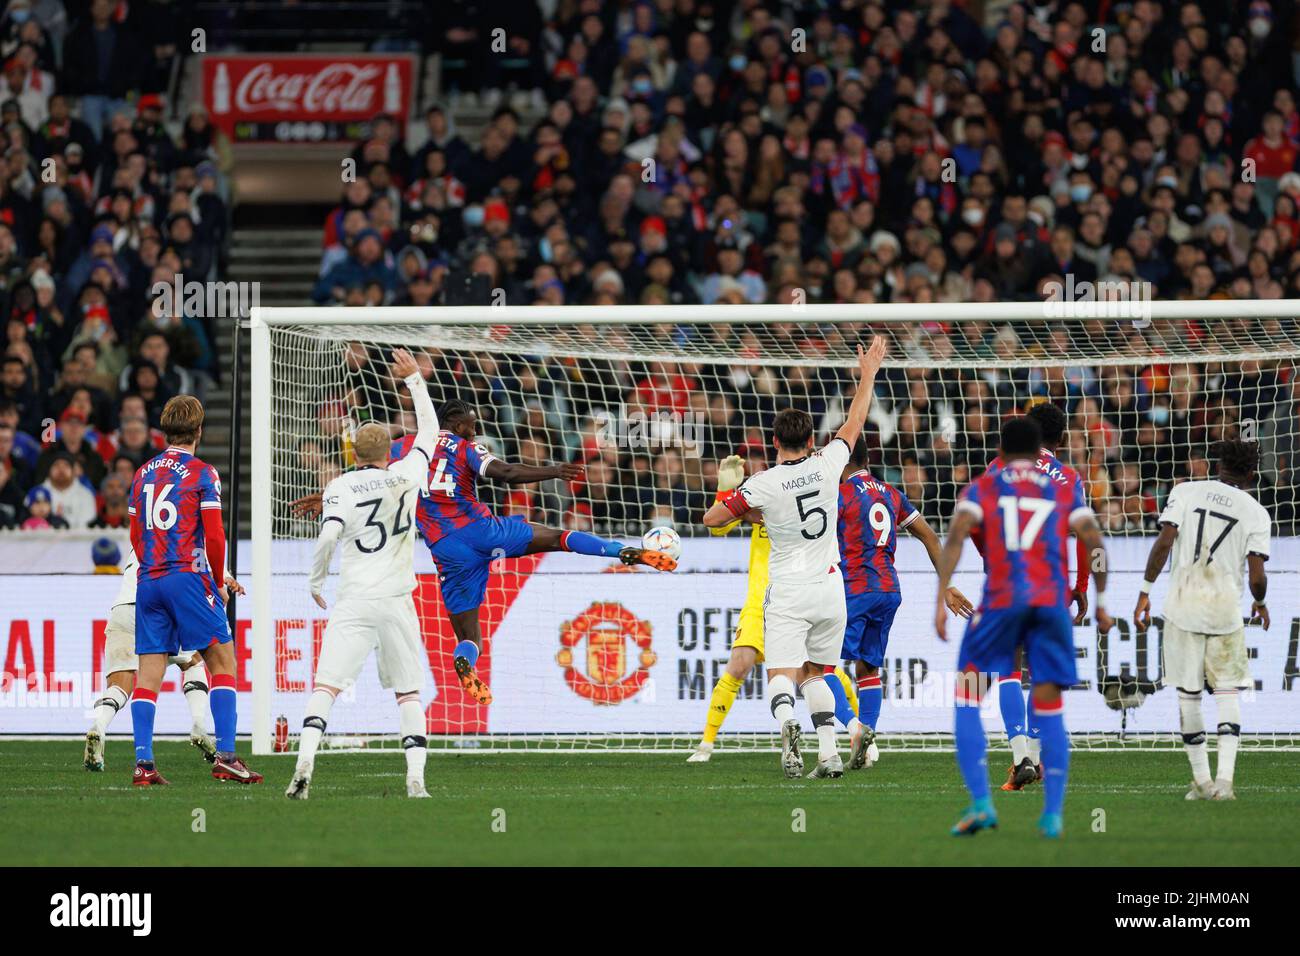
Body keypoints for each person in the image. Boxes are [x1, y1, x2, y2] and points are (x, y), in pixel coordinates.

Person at [702, 337, 887, 779]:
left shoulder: (763, 483)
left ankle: (788, 726)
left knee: (782, 675)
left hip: (787, 590)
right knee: (817, 675)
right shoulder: (829, 463)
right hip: (830, 586)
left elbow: (712, 519)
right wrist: (868, 374)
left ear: (773, 441)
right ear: (810, 439)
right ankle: (830, 754)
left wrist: (736, 492)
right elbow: (855, 421)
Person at [935, 416, 1111, 839]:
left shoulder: (987, 480)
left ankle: (982, 803)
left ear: (1000, 449)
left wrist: (941, 595)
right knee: (1050, 702)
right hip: (1050, 599)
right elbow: (1093, 539)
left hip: (1001, 598)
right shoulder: (1066, 481)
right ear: (1043, 447)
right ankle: (1052, 816)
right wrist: (1094, 595)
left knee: (968, 694)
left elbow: (959, 534)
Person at [287, 351, 437, 800]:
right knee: (408, 693)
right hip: (395, 601)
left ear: (354, 450)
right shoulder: (408, 472)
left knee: (326, 687)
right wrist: (414, 381)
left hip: (353, 599)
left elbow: (328, 537)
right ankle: (416, 781)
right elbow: (429, 431)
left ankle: (304, 764)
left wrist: (316, 582)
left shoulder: (340, 485)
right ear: (390, 450)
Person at [127, 395, 255, 786]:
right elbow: (214, 535)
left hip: (149, 579)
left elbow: (135, 534)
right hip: (187, 577)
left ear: (164, 430)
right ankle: (228, 757)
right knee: (222, 662)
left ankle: (144, 764)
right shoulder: (202, 473)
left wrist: (152, 567)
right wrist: (217, 580)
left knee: (149, 671)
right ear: (199, 431)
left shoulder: (142, 473)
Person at [1134, 439, 1271, 802]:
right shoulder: (1257, 512)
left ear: (1219, 464)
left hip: (1182, 607)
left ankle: (1201, 781)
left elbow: (1164, 543)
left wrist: (1145, 591)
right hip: (1224, 611)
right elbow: (1257, 576)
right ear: (1252, 474)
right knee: (1227, 692)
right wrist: (1260, 601)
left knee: (1189, 695)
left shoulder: (1186, 491)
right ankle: (1224, 784)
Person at [826, 437, 973, 769]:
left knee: (817, 666)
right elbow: (929, 535)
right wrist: (946, 584)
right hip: (889, 590)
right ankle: (869, 746)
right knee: (867, 668)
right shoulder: (890, 493)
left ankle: (855, 729)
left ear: (842, 461)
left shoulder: (840, 495)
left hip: (855, 590)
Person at [970, 401, 1092, 792]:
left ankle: (1021, 754)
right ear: (1061, 439)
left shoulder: (999, 466)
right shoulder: (1069, 478)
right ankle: (1035, 760)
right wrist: (1082, 587)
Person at [83, 542, 217, 772]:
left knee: (120, 683)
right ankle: (198, 723)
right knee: (192, 661)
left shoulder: (143, 533)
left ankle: (99, 725)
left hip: (123, 609)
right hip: (156, 605)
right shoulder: (184, 533)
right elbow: (202, 568)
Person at [685, 452, 771, 764]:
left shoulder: (803, 492)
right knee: (739, 664)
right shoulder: (762, 488)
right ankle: (706, 744)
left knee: (816, 672)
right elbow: (717, 526)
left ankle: (861, 732)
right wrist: (726, 490)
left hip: (796, 597)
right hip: (759, 602)